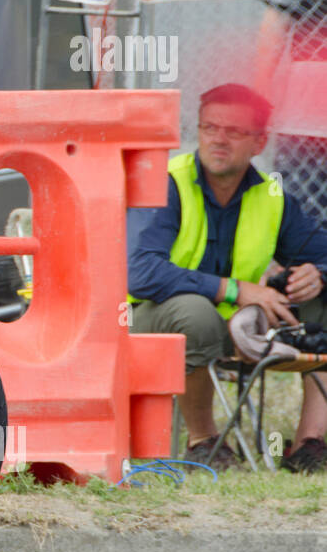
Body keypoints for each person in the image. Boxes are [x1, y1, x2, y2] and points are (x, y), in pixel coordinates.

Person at [127, 83, 327, 471]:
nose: (218, 140)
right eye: (209, 128)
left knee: (322, 297)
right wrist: (237, 289)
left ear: (259, 142)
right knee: (194, 312)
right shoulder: (167, 182)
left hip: (238, 322)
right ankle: (204, 442)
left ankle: (309, 445)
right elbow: (141, 273)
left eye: (233, 132)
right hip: (145, 321)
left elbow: (322, 253)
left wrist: (317, 274)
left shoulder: (272, 196)